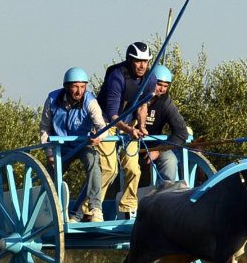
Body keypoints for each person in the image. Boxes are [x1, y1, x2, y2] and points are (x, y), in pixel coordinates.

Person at [38, 67, 110, 221]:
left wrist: (98, 137)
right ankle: (47, 211)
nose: (79, 91)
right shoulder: (52, 100)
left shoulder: (90, 101)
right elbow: (45, 128)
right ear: (66, 87)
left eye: (83, 86)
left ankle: (95, 207)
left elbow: (102, 127)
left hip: (83, 144)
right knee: (51, 175)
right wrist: (50, 154)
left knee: (94, 163)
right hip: (60, 147)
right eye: (75, 87)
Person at [97, 41, 154, 220]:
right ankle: (92, 207)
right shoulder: (116, 77)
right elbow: (113, 116)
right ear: (130, 60)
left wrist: (142, 126)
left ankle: (128, 206)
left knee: (133, 170)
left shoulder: (150, 78)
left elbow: (143, 106)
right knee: (109, 169)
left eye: (145, 61)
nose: (142, 65)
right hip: (106, 124)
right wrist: (129, 130)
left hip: (130, 125)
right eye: (138, 61)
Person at [142, 64, 190, 183]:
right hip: (130, 144)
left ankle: (164, 196)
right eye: (159, 85)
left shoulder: (165, 103)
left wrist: (158, 150)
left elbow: (181, 132)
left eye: (165, 86)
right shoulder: (134, 96)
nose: (162, 89)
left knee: (170, 159)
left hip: (154, 145)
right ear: (150, 82)